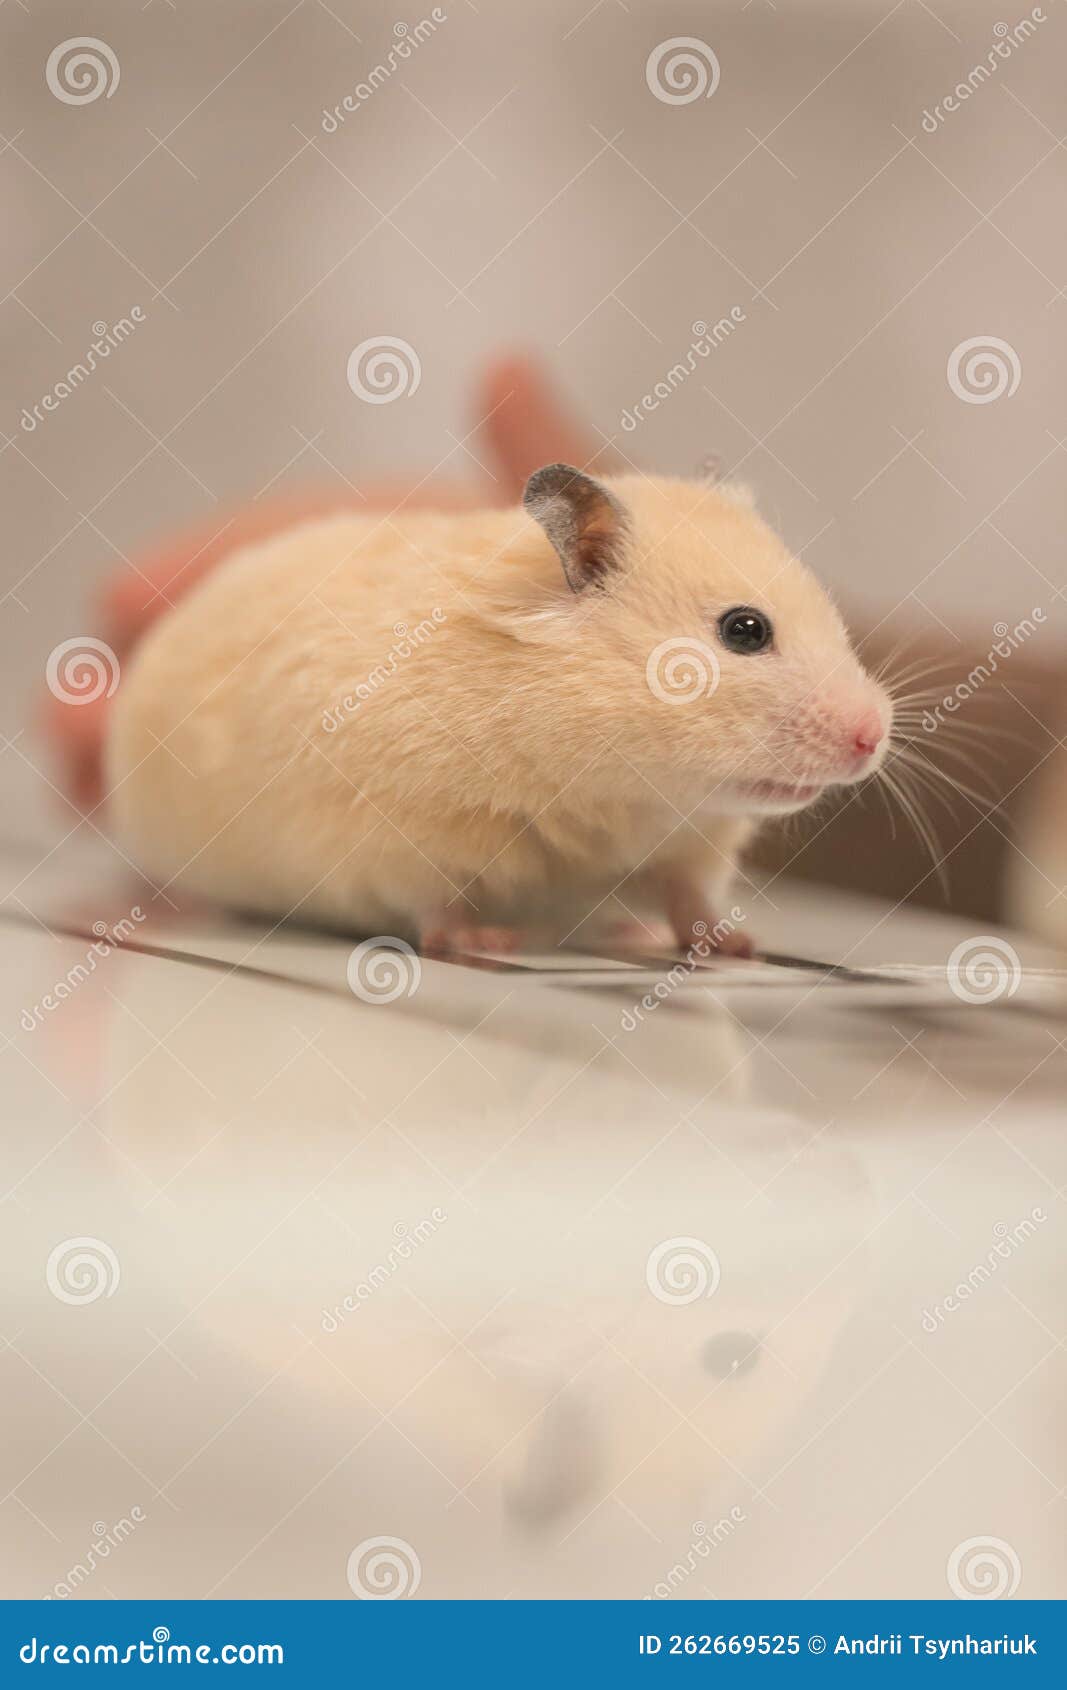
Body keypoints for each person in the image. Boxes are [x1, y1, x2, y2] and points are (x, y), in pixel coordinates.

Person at [39, 356, 1064, 939]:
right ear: (582, 553)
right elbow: (380, 799)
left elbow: (669, 814)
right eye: (744, 635)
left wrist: (687, 897)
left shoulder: (655, 768)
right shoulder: (431, 692)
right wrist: (430, 899)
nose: (865, 723)